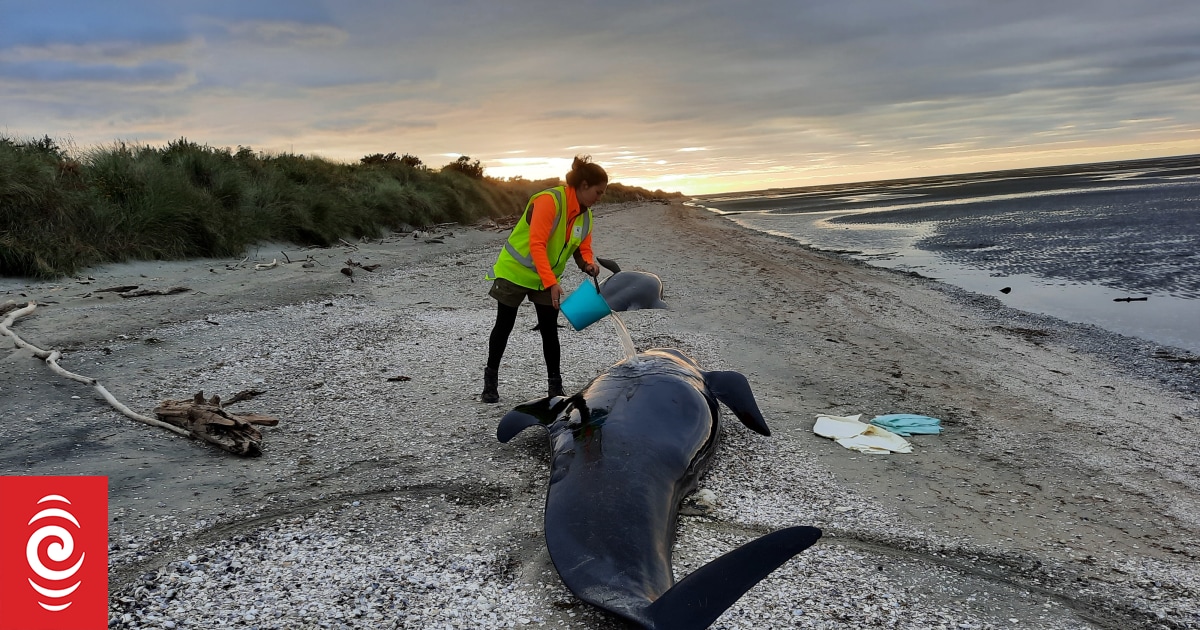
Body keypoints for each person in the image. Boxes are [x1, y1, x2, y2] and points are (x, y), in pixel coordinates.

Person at [481, 156, 608, 403]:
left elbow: (582, 248)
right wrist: (552, 283)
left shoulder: (586, 216)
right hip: (515, 272)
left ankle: (555, 387)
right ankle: (490, 382)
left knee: (550, 331)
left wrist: (588, 265)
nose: (599, 198)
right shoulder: (549, 201)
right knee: (504, 325)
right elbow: (536, 244)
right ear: (583, 185)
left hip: (545, 279)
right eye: (598, 192)